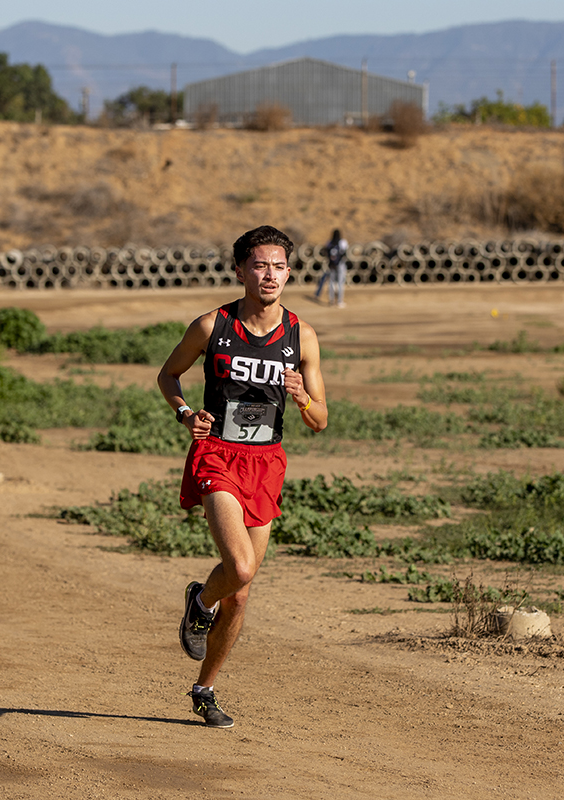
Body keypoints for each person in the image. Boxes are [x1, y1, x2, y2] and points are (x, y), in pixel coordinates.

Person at [157, 225, 329, 728]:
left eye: (278, 266)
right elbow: (169, 375)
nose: (269, 275)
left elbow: (320, 420)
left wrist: (300, 396)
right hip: (217, 455)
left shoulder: (302, 335)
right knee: (242, 567)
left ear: (289, 272)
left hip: (266, 463)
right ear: (239, 271)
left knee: (242, 591)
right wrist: (187, 413)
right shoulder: (212, 326)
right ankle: (201, 599)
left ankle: (204, 687)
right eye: (259, 265)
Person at [313, 228, 349, 308]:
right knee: (340, 283)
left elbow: (326, 252)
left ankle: (331, 300)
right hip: (340, 265)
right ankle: (339, 301)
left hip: (331, 265)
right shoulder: (343, 242)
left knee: (331, 282)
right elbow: (345, 253)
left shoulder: (329, 242)